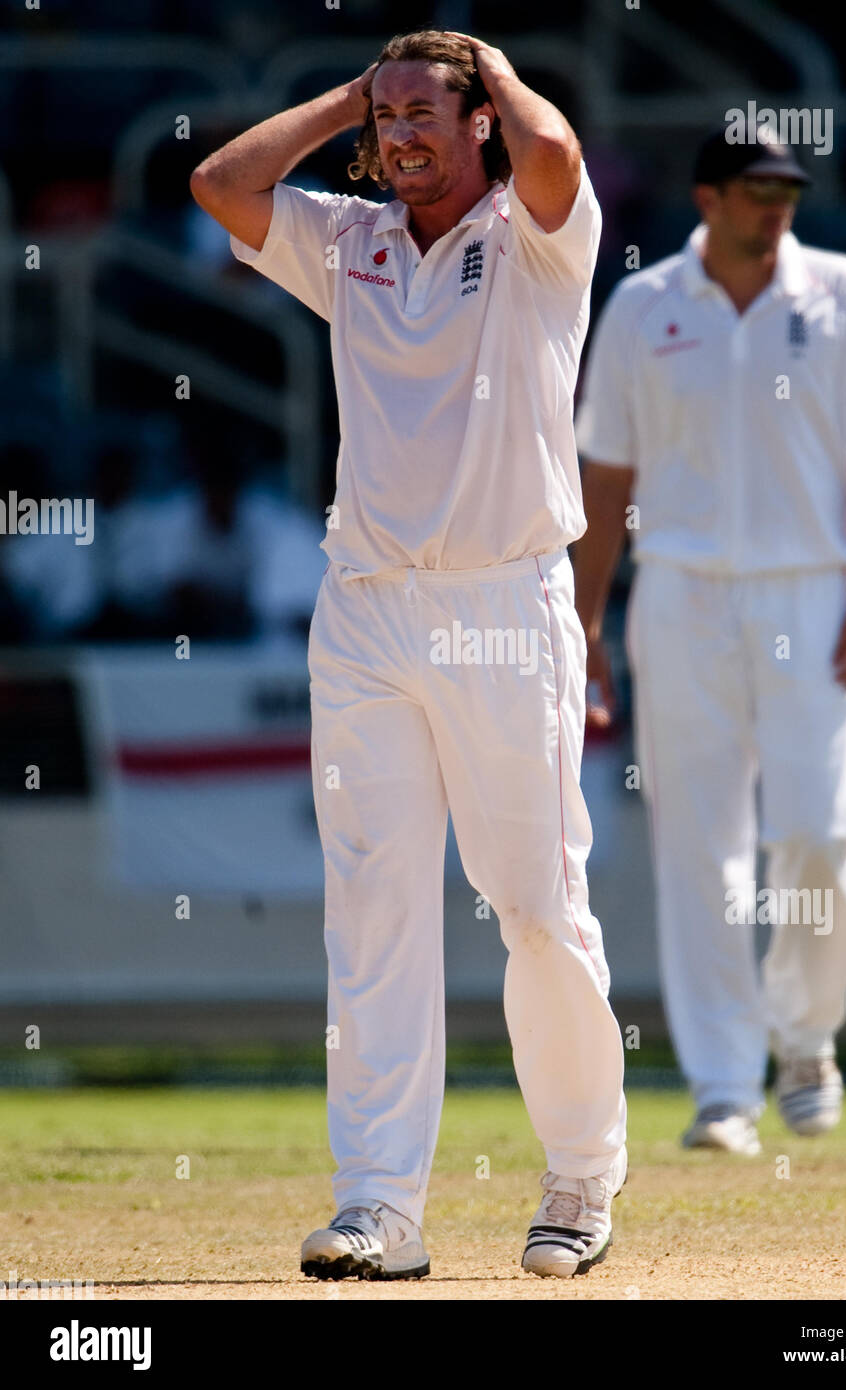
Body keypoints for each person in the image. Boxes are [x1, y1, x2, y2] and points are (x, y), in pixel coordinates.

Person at [191, 28, 627, 1278]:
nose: (401, 136)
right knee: (372, 908)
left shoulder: (540, 234)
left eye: (428, 113)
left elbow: (553, 148)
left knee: (534, 905)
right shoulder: (349, 238)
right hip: (368, 606)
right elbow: (221, 186)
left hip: (504, 600)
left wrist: (486, 72)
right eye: (386, 120)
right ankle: (379, 1204)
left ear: (479, 113)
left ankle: (580, 1172)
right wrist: (352, 95)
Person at [573, 124, 846, 1155]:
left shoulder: (839, 292)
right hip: (679, 595)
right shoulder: (642, 308)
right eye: (755, 187)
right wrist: (585, 622)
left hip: (811, 596)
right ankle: (722, 1085)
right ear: (706, 198)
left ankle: (805, 1039)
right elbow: (604, 479)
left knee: (818, 833)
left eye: (786, 187)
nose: (775, 205)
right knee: (699, 850)